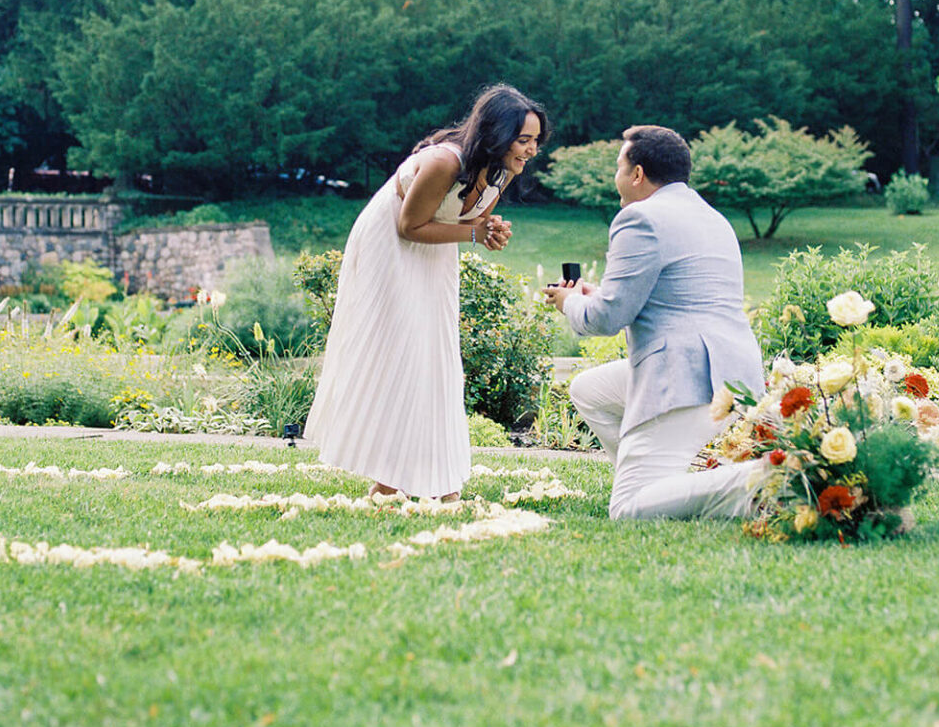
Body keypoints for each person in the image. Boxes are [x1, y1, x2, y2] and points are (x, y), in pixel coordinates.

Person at [306, 84, 549, 500]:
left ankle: (422, 481)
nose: (532, 150)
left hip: (435, 250)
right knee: (402, 355)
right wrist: (474, 233)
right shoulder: (443, 162)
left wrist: (489, 229)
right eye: (524, 139)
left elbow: (469, 220)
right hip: (390, 246)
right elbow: (408, 226)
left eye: (536, 140)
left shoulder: (505, 169)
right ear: (497, 134)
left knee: (436, 356)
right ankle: (395, 480)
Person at [543, 125, 764, 519]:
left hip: (686, 377)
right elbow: (673, 297)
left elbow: (607, 319)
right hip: (735, 375)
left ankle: (758, 479)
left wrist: (569, 303)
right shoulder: (713, 217)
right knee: (588, 389)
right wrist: (596, 294)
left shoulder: (640, 218)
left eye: (618, 167)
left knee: (627, 511)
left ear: (637, 174)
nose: (615, 176)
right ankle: (663, 484)